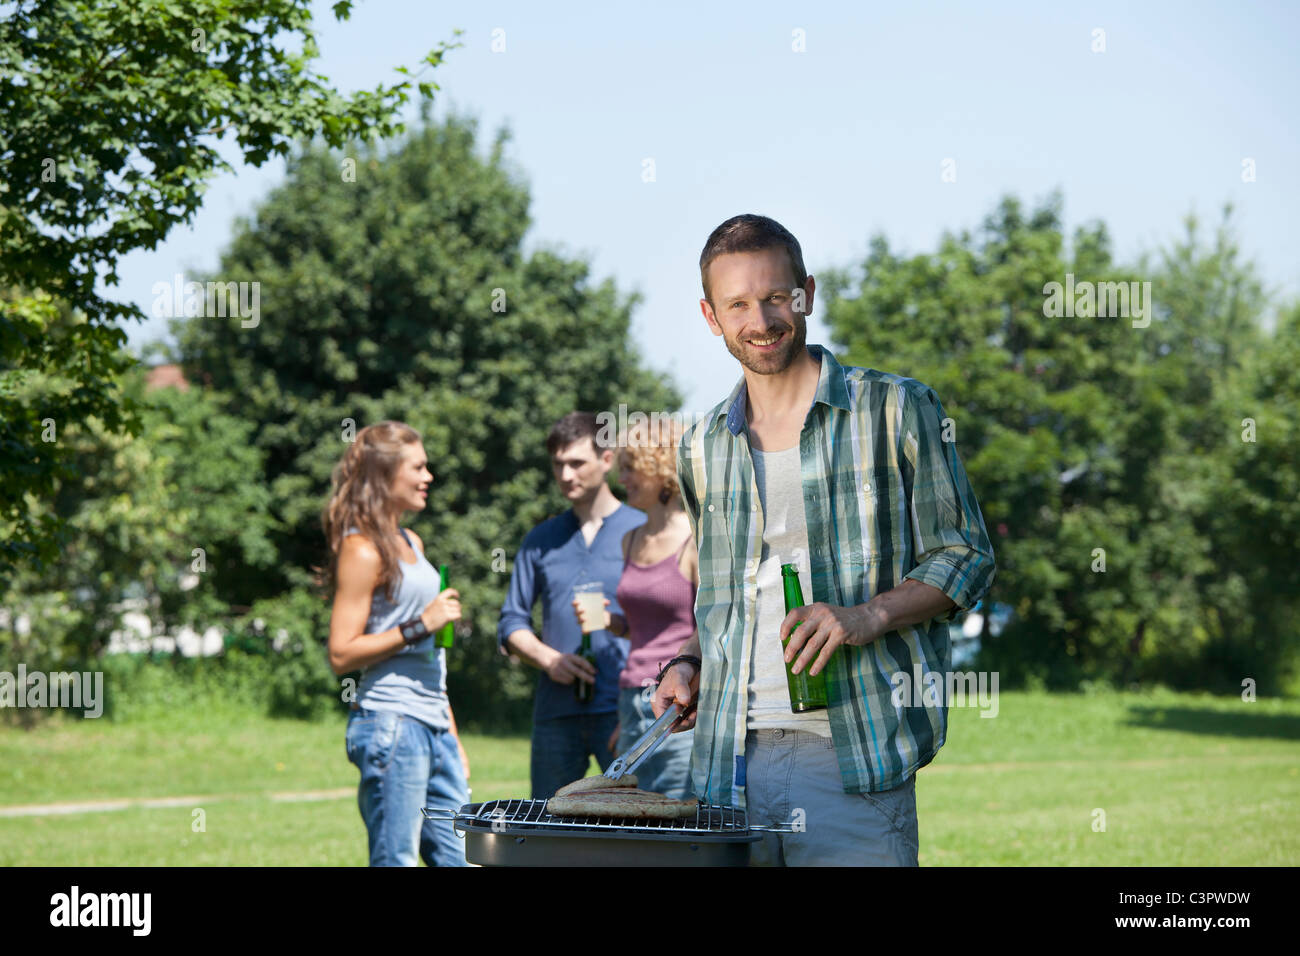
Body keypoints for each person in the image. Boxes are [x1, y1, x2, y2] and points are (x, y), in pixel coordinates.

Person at [655, 214, 996, 866]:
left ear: (806, 292)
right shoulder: (701, 445)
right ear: (711, 315)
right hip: (727, 768)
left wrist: (867, 616)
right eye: (739, 304)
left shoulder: (895, 410)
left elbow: (967, 555)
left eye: (777, 296)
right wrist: (689, 662)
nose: (762, 319)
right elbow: (725, 596)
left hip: (853, 758)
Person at [323, 421, 470, 867]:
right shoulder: (361, 548)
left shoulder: (411, 541)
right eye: (419, 467)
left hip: (433, 724)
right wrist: (419, 625)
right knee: (396, 860)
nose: (429, 477)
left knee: (460, 859)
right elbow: (341, 653)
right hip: (391, 721)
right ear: (386, 474)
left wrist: (452, 733)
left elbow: (432, 658)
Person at [497, 412, 646, 799]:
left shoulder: (643, 529)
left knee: (642, 828)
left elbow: (669, 621)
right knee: (548, 830)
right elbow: (512, 621)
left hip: (627, 709)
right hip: (556, 713)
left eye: (577, 463)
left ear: (607, 460)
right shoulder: (540, 539)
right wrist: (550, 660)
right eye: (558, 464)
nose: (565, 475)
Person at [571, 419, 697, 800]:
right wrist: (611, 622)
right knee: (633, 816)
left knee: (677, 815)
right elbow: (645, 628)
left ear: (660, 467)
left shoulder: (695, 539)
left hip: (680, 701)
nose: (621, 478)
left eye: (630, 467)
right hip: (632, 699)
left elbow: (709, 625)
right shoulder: (629, 540)